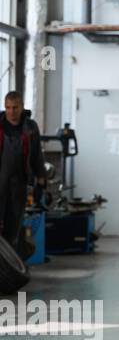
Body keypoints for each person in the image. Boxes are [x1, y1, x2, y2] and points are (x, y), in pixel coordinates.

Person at [0, 91, 44, 246]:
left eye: (15, 107)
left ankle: (10, 265)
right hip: (0, 180)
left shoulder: (30, 128)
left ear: (22, 107)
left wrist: (41, 177)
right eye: (8, 107)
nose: (11, 112)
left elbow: (37, 154)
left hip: (19, 182)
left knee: (14, 226)